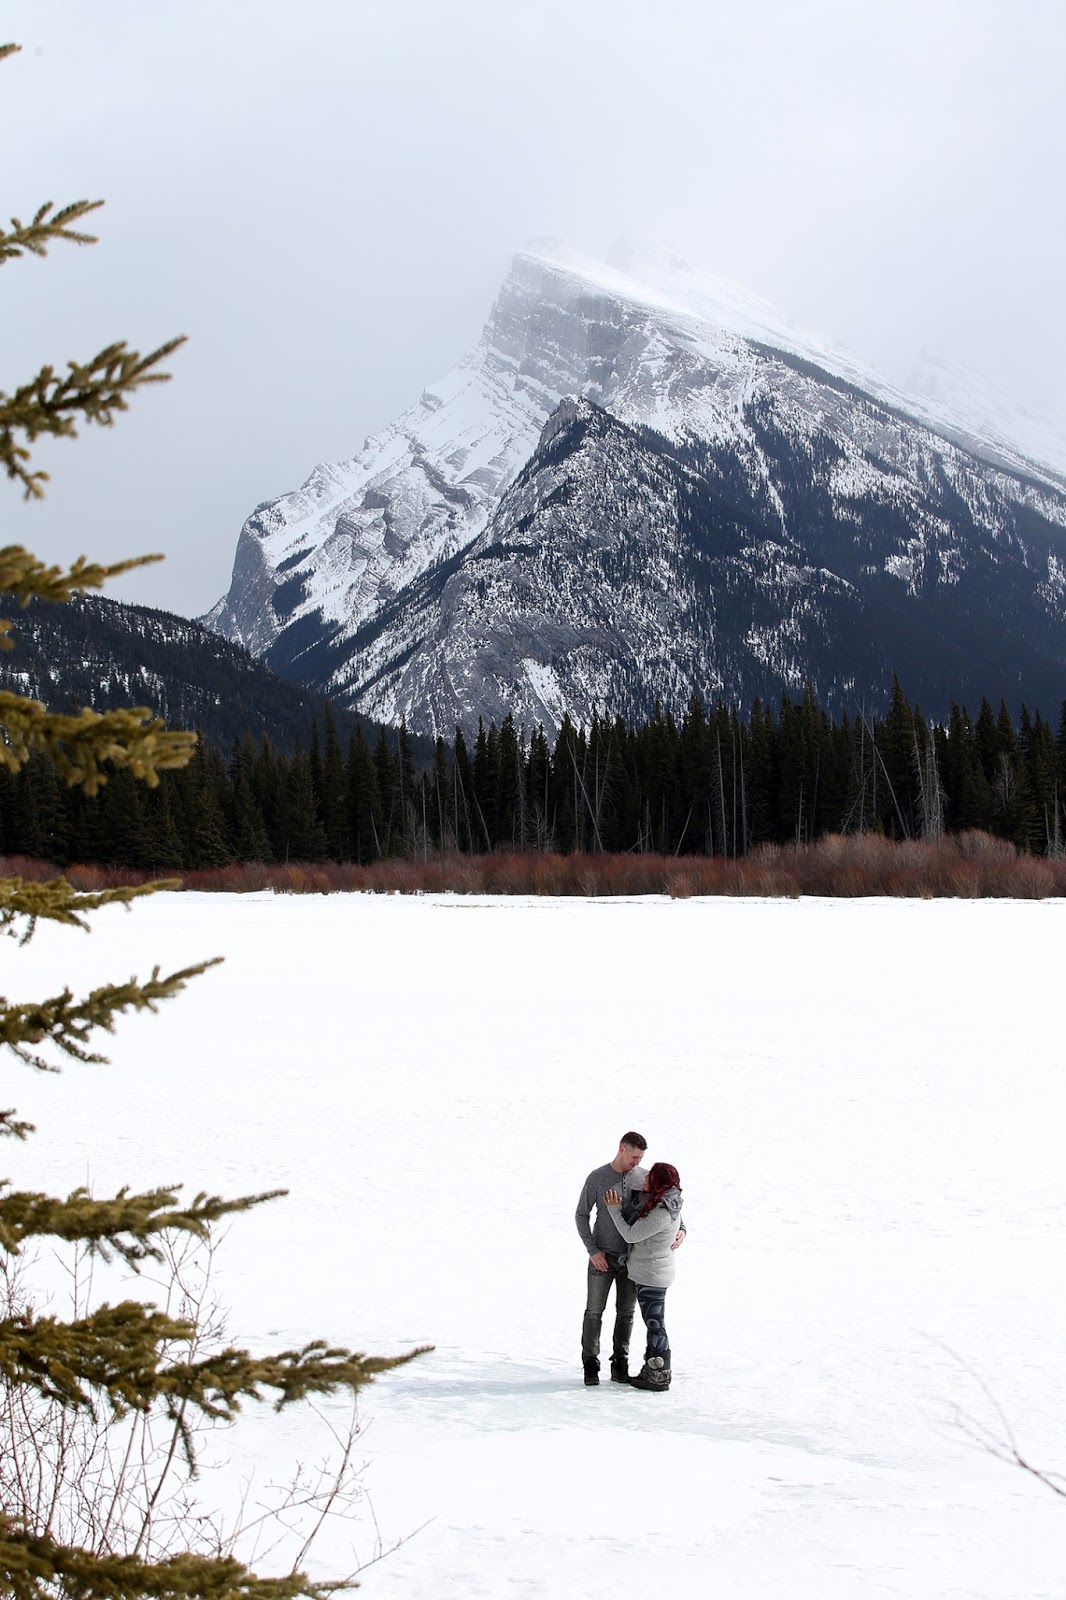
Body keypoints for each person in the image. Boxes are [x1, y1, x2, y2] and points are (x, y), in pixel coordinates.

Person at [575, 1134, 686, 1386]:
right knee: (594, 1311)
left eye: (641, 1158)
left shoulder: (645, 1179)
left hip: (632, 1261)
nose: (638, 1162)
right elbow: (581, 1215)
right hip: (602, 1256)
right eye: (634, 1156)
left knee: (626, 1313)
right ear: (621, 1149)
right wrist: (593, 1250)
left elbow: (672, 1209)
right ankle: (590, 1363)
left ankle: (620, 1362)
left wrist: (682, 1230)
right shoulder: (598, 1178)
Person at [604, 1161, 683, 1392]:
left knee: (655, 1324)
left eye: (650, 1177)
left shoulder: (662, 1212)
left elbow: (631, 1235)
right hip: (651, 1272)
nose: (645, 1179)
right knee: (654, 1323)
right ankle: (652, 1369)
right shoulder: (665, 1201)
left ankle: (659, 1375)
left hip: (652, 1275)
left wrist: (614, 1210)